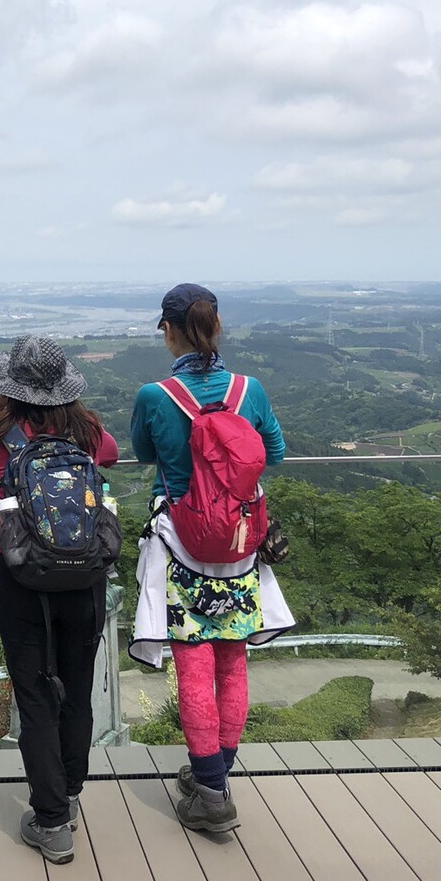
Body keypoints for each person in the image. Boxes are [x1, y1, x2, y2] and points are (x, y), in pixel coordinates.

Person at [129, 284, 286, 833]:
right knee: (232, 662)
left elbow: (147, 453)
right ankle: (218, 776)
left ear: (169, 332)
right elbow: (277, 452)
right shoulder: (251, 389)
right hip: (241, 543)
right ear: (216, 328)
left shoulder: (156, 395)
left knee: (193, 666)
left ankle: (211, 793)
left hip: (182, 543)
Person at [0, 336, 119, 864]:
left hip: (22, 575)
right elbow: (113, 456)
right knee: (76, 689)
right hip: (85, 574)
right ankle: (70, 792)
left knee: (35, 695)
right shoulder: (89, 431)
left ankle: (52, 820)